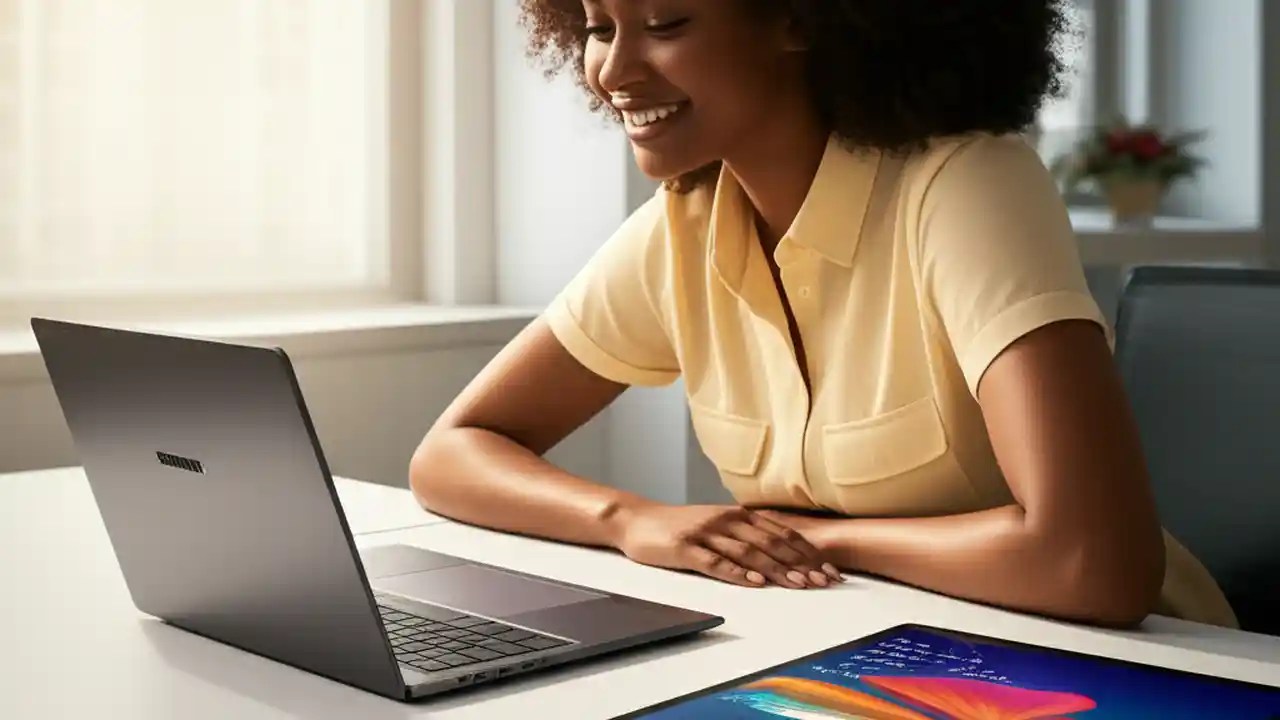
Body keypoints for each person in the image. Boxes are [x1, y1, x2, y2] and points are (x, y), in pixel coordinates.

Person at [410, 0, 1238, 629]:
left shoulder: (967, 186)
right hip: (878, 642)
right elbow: (452, 454)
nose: (611, 71)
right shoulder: (684, 226)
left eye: (663, 22)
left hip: (1140, 663)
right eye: (597, 26)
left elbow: (1092, 563)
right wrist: (634, 521)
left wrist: (817, 540)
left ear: (798, 17)